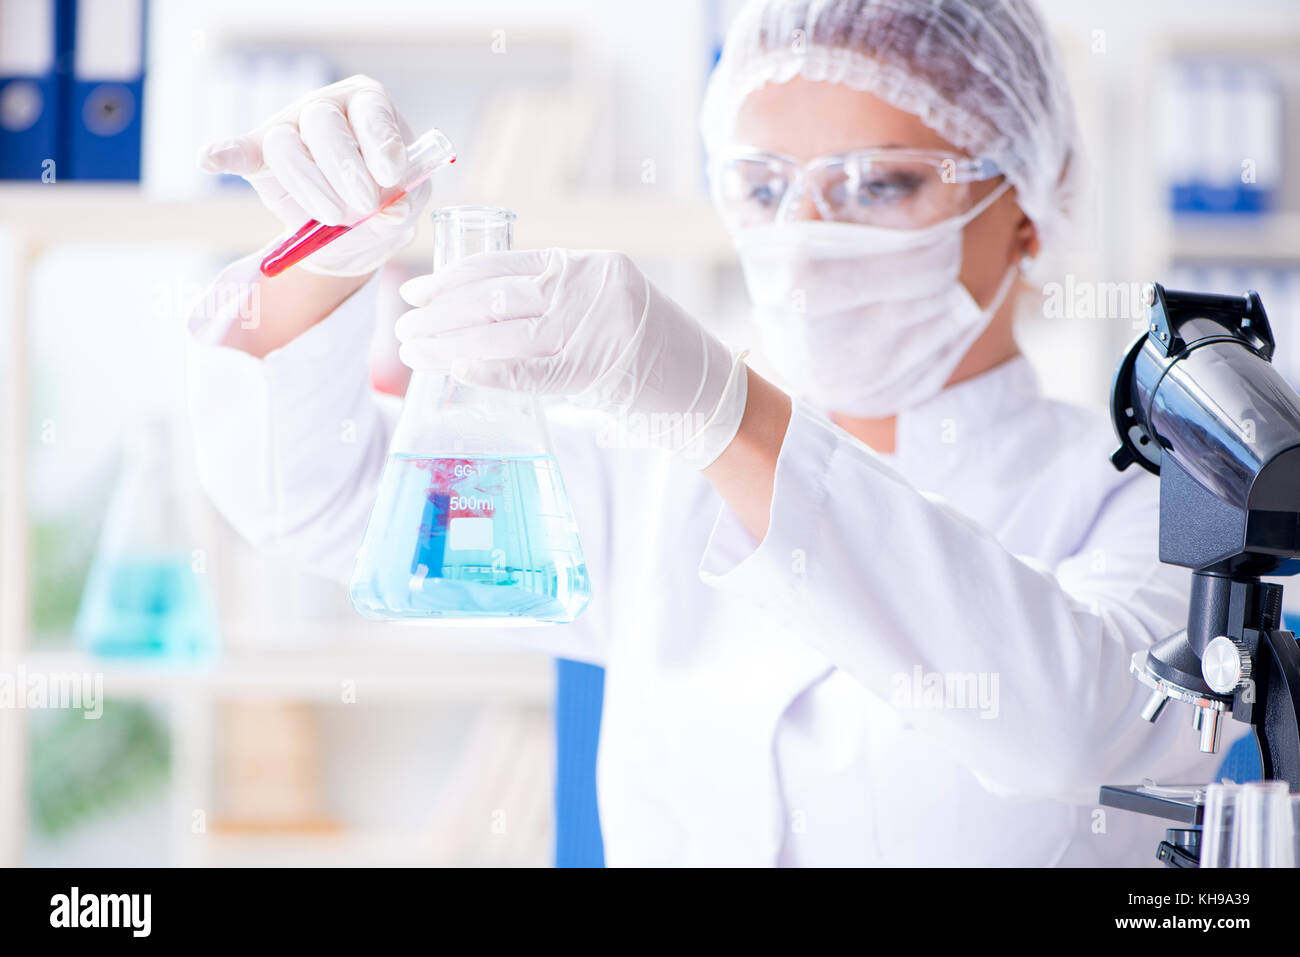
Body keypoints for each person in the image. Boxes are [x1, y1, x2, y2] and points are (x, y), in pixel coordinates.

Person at [188, 0, 1232, 866]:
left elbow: (1075, 733)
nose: (807, 232)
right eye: (764, 185)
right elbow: (320, 500)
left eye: (882, 181)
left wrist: (720, 406)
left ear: (1032, 205)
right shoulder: (646, 479)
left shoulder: (1156, 500)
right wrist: (323, 265)